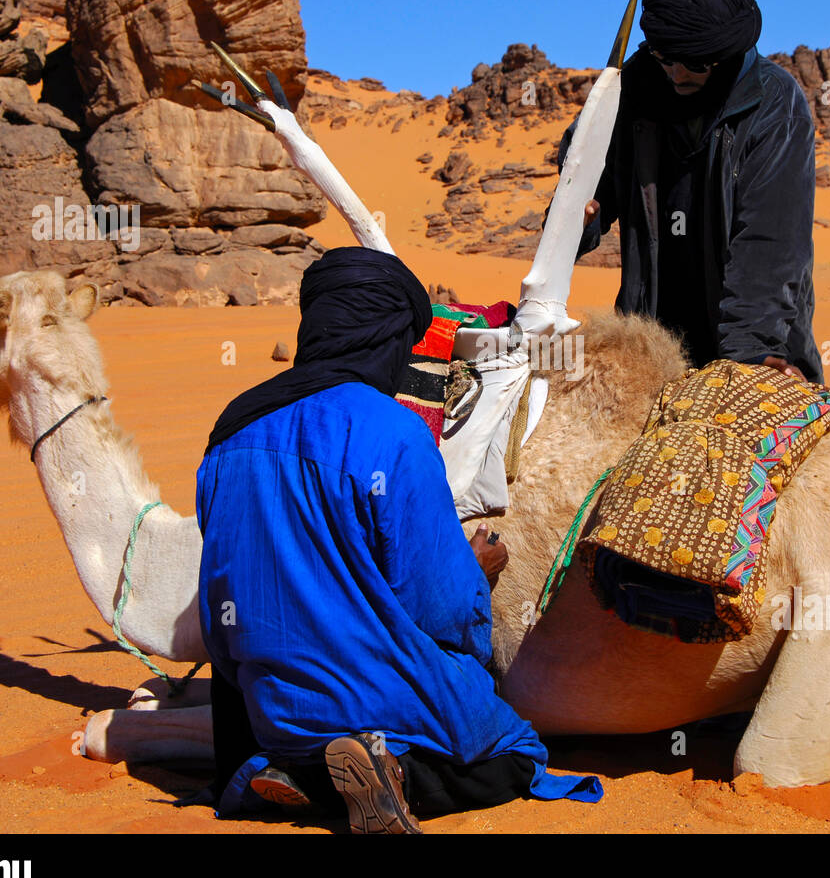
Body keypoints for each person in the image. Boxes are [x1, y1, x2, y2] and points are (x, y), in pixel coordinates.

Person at [196, 246, 601, 833]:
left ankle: (292, 771)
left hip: (273, 711)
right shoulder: (394, 432)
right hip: (379, 701)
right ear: (388, 339)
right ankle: (392, 772)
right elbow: (439, 606)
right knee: (516, 755)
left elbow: (220, 605)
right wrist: (476, 574)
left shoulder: (232, 431)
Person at [571, 0, 823, 383]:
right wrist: (577, 225)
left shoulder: (774, 103)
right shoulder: (632, 90)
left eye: (695, 63)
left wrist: (749, 357)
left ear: (725, 55)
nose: (677, 73)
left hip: (753, 344)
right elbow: (582, 181)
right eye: (664, 58)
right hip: (651, 347)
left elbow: (770, 239)